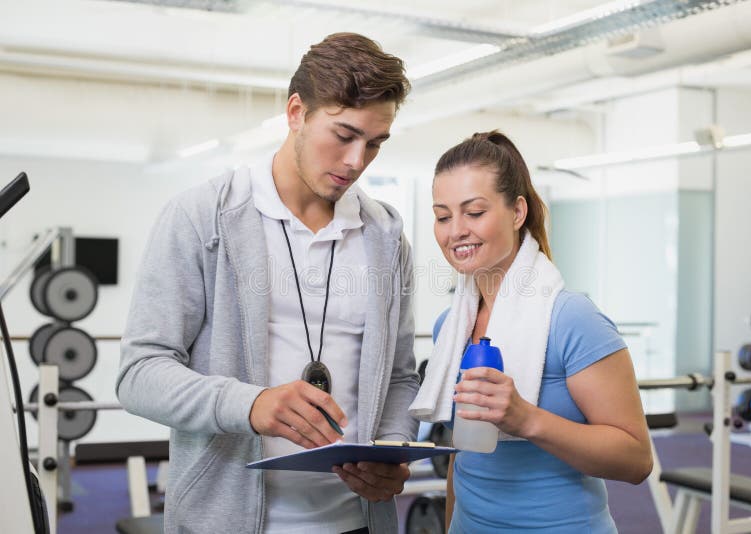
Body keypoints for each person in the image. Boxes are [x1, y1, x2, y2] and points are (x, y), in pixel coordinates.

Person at [117, 33, 419, 534]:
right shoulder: (201, 218)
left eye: (375, 143)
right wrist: (250, 404)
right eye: (343, 135)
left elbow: (401, 377)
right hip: (226, 520)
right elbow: (139, 373)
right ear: (297, 112)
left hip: (358, 522)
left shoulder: (386, 236)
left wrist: (390, 448)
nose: (356, 161)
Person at [409, 131, 653, 533]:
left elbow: (636, 460)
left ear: (517, 213)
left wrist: (526, 419)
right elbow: (462, 453)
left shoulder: (572, 319)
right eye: (442, 216)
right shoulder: (450, 327)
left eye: (474, 212)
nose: (456, 231)